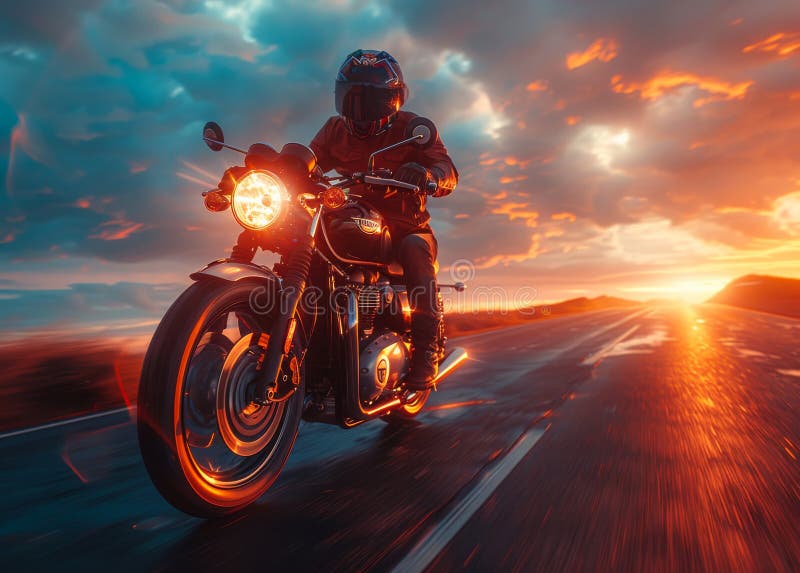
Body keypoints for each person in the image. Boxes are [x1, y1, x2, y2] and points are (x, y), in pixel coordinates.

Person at [310, 49, 458, 391]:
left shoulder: (413, 128)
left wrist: (427, 174)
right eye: (352, 98)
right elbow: (309, 160)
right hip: (356, 217)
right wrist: (276, 168)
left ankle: (425, 354)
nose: (360, 110)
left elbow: (447, 169)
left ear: (394, 99)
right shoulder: (334, 129)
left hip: (408, 226)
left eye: (372, 100)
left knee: (414, 252)